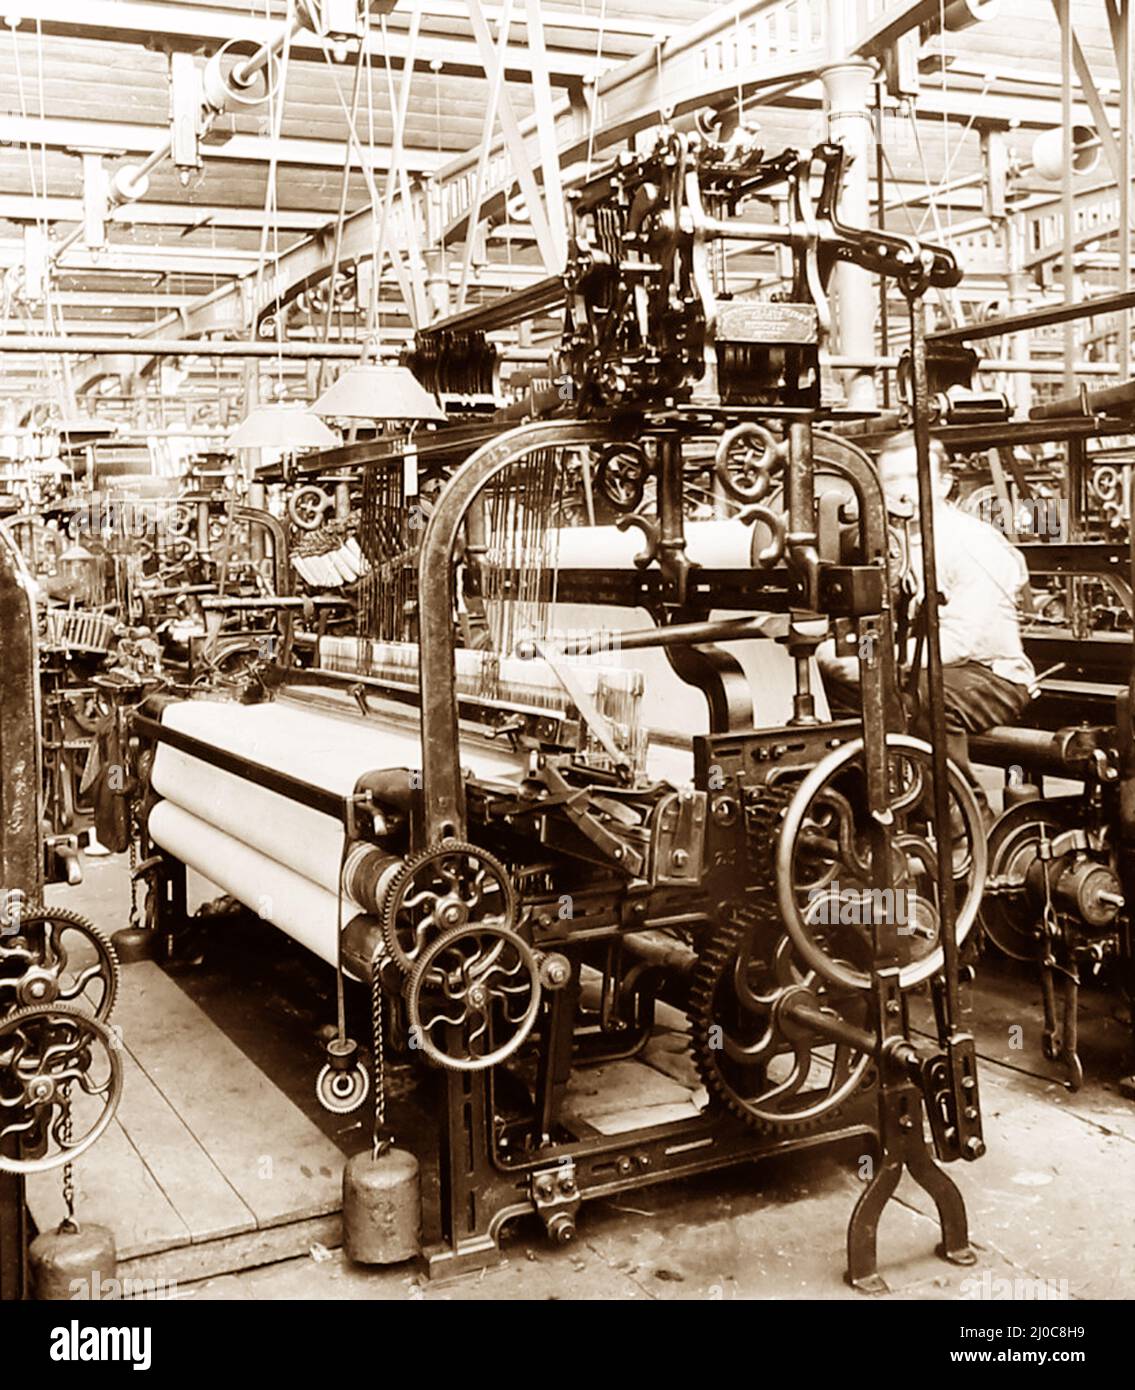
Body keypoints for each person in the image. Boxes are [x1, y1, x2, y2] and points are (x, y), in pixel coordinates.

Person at [818, 430, 1037, 818]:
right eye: (889, 480)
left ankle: (962, 825)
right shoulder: (882, 544)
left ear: (945, 484)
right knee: (842, 687)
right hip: (917, 666)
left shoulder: (972, 542)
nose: (901, 489)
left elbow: (959, 641)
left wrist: (874, 664)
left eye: (912, 476)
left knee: (920, 692)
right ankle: (874, 811)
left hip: (990, 676)